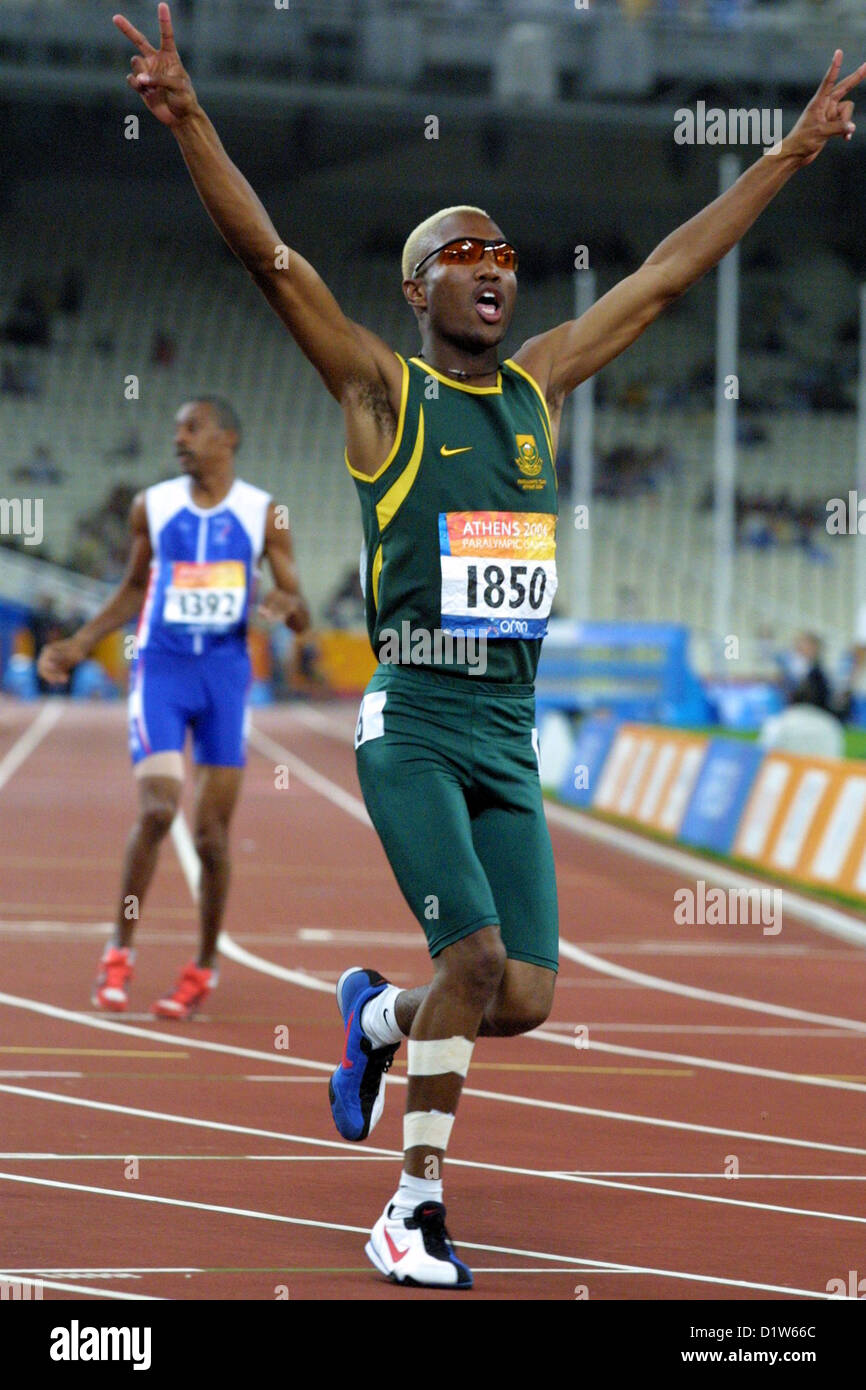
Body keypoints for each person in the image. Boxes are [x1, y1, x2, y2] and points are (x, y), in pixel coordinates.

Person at [114, 3, 864, 1287]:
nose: (492, 266)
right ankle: (409, 1206)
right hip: (412, 719)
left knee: (520, 995)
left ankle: (374, 1018)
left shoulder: (537, 385)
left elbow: (667, 274)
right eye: (462, 252)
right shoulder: (378, 392)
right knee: (469, 956)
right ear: (417, 290)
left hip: (505, 739)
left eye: (503, 251)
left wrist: (788, 155)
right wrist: (187, 120)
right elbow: (272, 261)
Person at [38, 395, 309, 1018]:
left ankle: (205, 964)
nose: (179, 438)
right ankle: (119, 951)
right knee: (159, 810)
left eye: (193, 428)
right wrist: (82, 641)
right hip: (161, 669)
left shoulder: (263, 513)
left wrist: (284, 606)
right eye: (176, 429)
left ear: (228, 438)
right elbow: (135, 586)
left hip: (224, 676)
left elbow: (299, 608)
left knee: (213, 837)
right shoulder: (152, 507)